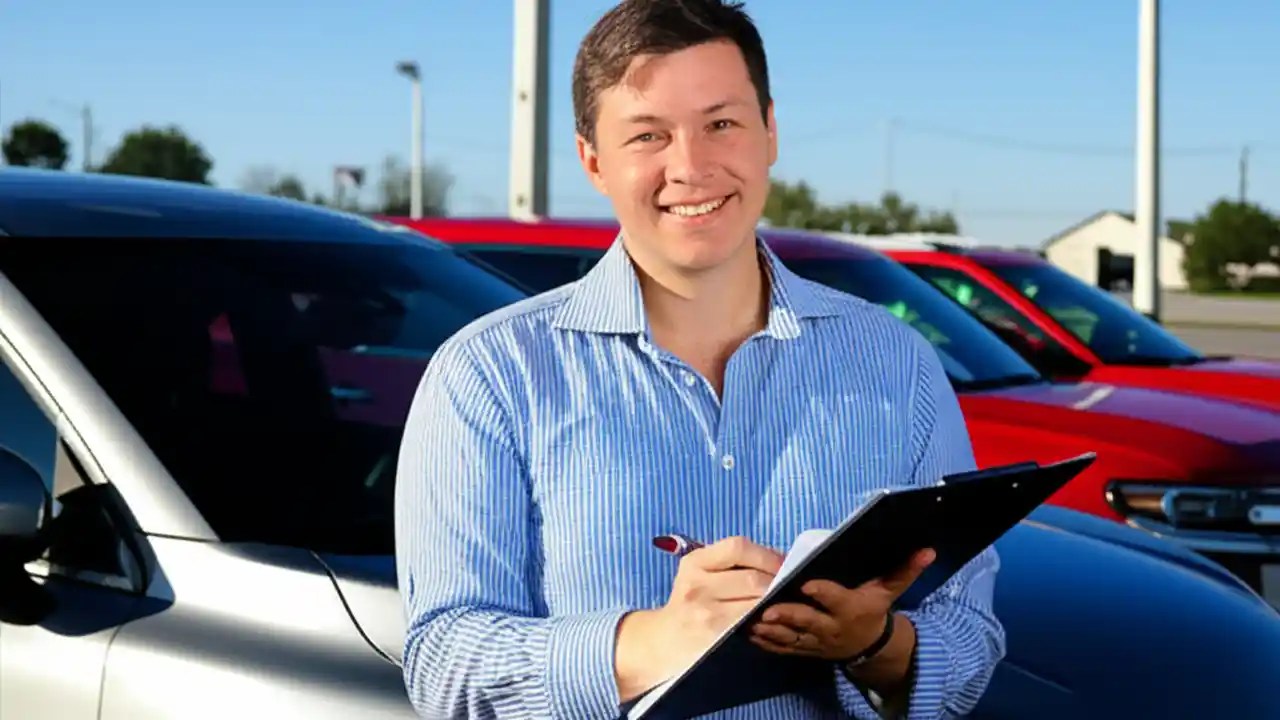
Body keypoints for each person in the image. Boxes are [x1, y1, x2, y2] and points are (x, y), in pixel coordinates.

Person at [394, 0, 1006, 717]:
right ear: (593, 160)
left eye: (721, 124)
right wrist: (653, 642)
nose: (691, 167)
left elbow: (970, 637)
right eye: (649, 135)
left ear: (769, 130)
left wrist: (873, 644)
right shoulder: (490, 375)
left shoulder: (895, 361)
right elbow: (444, 666)